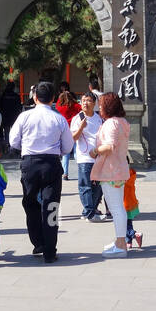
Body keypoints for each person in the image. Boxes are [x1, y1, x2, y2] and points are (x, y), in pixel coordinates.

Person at [9, 80, 74, 263]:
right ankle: (50, 250)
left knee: (30, 203)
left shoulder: (24, 117)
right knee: (52, 206)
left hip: (29, 163)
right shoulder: (58, 118)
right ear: (53, 98)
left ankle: (37, 241)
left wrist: (27, 147)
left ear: (35, 97)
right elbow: (68, 147)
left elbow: (13, 141)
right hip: (51, 164)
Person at [91, 92, 131, 257]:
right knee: (118, 207)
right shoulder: (122, 122)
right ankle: (119, 241)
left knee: (116, 208)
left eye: (101, 105)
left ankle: (121, 244)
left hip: (111, 170)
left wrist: (95, 151)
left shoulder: (111, 123)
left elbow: (109, 146)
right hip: (119, 168)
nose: (99, 108)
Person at [71, 92, 105, 221]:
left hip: (98, 157)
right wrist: (81, 128)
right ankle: (90, 213)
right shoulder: (77, 118)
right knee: (85, 185)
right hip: (84, 158)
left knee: (98, 186)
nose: (85, 103)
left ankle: (90, 210)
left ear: (94, 103)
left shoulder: (99, 119)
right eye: (83, 100)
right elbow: (73, 138)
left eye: (89, 100)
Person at [54, 91, 80, 179]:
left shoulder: (59, 107)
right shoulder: (76, 106)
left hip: (64, 131)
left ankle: (65, 173)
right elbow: (81, 109)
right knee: (77, 151)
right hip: (75, 129)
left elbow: (57, 104)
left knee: (66, 153)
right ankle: (81, 169)